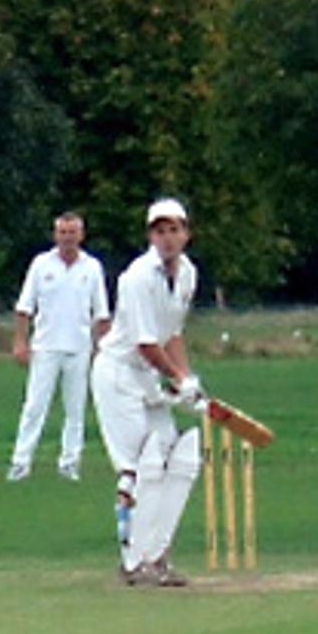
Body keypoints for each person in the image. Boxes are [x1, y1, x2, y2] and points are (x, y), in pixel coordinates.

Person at [90, 198, 205, 587]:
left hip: (147, 376)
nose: (168, 238)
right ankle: (132, 560)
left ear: (186, 234)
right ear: (150, 237)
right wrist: (177, 377)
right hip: (118, 374)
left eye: (174, 230)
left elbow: (172, 334)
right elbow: (145, 343)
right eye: (160, 231)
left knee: (171, 457)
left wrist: (187, 378)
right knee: (137, 467)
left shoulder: (188, 274)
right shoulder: (136, 277)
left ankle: (157, 557)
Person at [6, 212, 111, 482]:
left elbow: (101, 314)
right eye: (63, 232)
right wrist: (20, 342)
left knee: (75, 410)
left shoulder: (92, 267)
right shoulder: (41, 265)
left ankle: (70, 463)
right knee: (34, 407)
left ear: (81, 235)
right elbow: (24, 308)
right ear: (55, 235)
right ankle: (20, 462)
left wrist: (102, 348)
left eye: (72, 232)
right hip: (45, 347)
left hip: (79, 348)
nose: (67, 238)